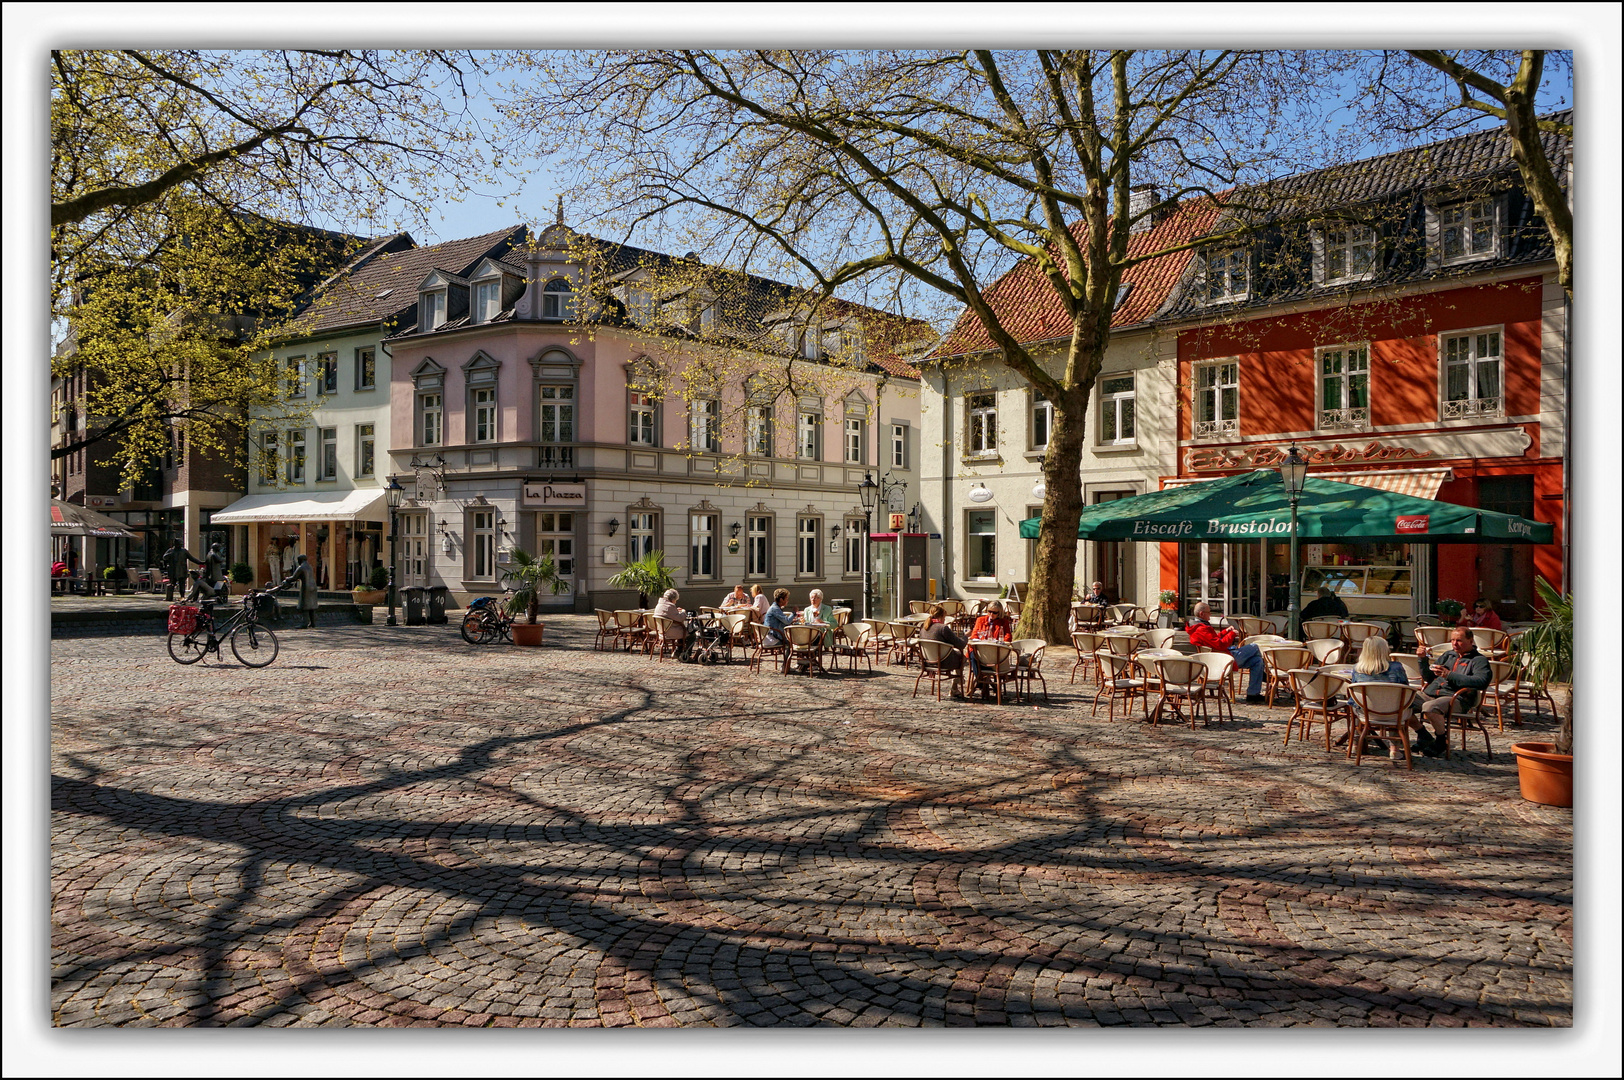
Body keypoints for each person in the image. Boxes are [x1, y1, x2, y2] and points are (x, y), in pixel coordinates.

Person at [1410, 626, 1491, 757]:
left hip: (1457, 699)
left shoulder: (1478, 660)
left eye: (1459, 640)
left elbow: (1481, 682)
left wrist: (1449, 675)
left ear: (1471, 641)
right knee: (1403, 700)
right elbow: (1429, 678)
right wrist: (1422, 659)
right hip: (1432, 694)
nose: (1454, 643)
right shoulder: (1448, 655)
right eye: (1452, 640)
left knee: (1430, 707)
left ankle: (1441, 741)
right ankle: (1423, 734)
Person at [1187, 601, 1268, 704]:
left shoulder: (1198, 627)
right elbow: (1220, 645)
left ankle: (1253, 694)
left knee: (1257, 661)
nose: (1210, 614)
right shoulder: (1201, 629)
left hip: (1218, 656)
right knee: (1255, 646)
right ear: (1202, 614)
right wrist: (1232, 635)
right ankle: (1265, 675)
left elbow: (1214, 640)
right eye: (1209, 612)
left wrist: (1226, 632)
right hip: (1222, 660)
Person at [1348, 636, 1412, 760]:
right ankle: (1394, 749)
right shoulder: (1397, 667)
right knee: (1397, 703)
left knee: (1355, 705)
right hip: (1394, 715)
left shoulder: (1357, 668)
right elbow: (1405, 690)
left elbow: (1354, 697)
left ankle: (1355, 744)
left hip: (1367, 714)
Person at [918, 604, 968, 697]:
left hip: (928, 661)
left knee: (957, 655)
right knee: (963, 657)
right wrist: (966, 636)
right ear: (941, 616)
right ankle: (955, 686)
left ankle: (956, 686)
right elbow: (960, 644)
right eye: (944, 617)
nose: (945, 620)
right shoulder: (943, 628)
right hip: (943, 662)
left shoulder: (923, 627)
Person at [276, 552, 320, 628]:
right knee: (312, 605)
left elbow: (294, 577)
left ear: (300, 560)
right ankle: (313, 623)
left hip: (306, 587)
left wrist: (287, 579)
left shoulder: (301, 567)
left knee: (305, 605)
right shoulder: (309, 566)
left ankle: (304, 623)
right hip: (313, 586)